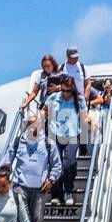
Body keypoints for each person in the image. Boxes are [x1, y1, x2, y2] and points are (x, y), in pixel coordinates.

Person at [0, 110, 61, 222]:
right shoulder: (18, 142)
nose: (32, 128)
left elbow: (57, 165)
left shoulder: (48, 143)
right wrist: (0, 180)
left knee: (37, 221)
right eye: (29, 125)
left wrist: (51, 180)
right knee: (21, 221)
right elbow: (5, 163)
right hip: (20, 188)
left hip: (39, 190)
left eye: (35, 125)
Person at [45, 77, 83, 206]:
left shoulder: (79, 100)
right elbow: (44, 111)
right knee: (56, 164)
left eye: (68, 91)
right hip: (55, 134)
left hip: (73, 135)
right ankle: (56, 194)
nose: (66, 93)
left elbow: (84, 116)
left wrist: (91, 121)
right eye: (63, 90)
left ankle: (68, 191)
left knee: (68, 163)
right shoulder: (53, 98)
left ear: (73, 89)